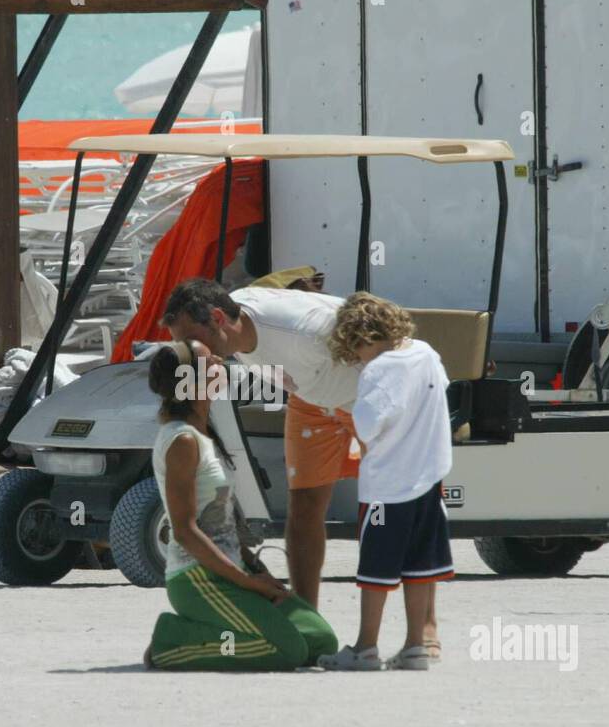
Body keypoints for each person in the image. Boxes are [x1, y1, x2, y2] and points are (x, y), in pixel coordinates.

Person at [162, 279, 443, 653]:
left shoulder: (305, 332)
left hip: (369, 396)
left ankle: (423, 627)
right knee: (304, 506)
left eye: (192, 341)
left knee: (400, 509)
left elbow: (386, 346)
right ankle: (308, 620)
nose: (191, 352)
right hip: (311, 398)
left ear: (218, 319)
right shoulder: (231, 317)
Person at [145, 339, 338, 670]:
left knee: (320, 640)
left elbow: (221, 518)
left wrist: (255, 567)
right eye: (210, 361)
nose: (220, 360)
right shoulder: (182, 441)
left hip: (232, 569)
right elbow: (186, 531)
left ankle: (234, 625)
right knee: (286, 650)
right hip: (198, 578)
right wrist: (250, 584)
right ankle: (169, 643)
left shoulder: (205, 431)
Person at [317, 294, 455, 671]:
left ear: (363, 338)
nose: (355, 359)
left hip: (385, 490)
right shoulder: (427, 354)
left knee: (376, 568)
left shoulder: (379, 370)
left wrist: (345, 406)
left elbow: (367, 424)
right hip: (429, 480)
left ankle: (365, 647)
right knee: (420, 566)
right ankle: (415, 646)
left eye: (354, 350)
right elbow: (440, 391)